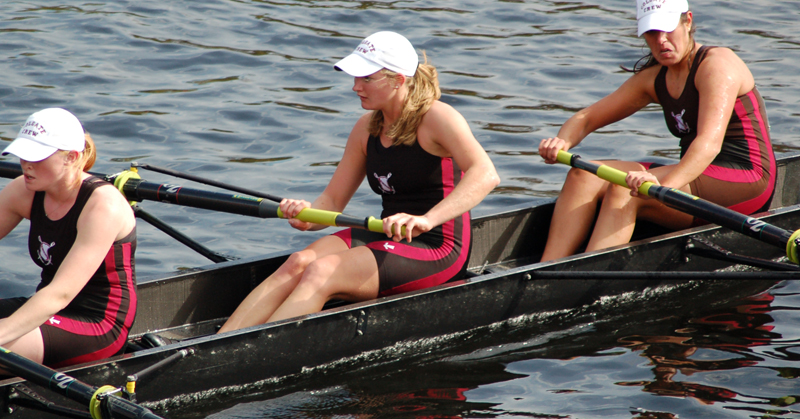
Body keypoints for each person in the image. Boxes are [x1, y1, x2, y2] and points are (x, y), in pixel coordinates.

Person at [219, 31, 499, 332]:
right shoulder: (366, 128)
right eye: (355, 77)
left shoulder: (437, 118)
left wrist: (427, 220)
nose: (356, 87)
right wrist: (304, 215)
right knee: (298, 262)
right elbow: (332, 202)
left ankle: (256, 354)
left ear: (398, 80)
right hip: (389, 235)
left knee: (321, 271)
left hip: (438, 247)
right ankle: (219, 346)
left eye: (366, 78)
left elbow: (486, 174)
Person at [537, 0, 775, 262]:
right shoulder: (655, 78)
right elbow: (586, 118)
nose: (661, 40)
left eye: (667, 28)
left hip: (747, 177)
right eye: (651, 32)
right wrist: (561, 142)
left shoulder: (717, 66)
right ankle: (543, 272)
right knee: (582, 176)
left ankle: (583, 280)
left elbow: (709, 144)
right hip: (696, 172)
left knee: (623, 190)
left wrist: (664, 188)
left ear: (688, 21)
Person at [0, 108, 137, 368]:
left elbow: (60, 294)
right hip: (48, 311)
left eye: (37, 157)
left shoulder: (102, 205)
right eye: (23, 154)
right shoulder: (24, 190)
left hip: (98, 325)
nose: (26, 165)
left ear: (71, 157)